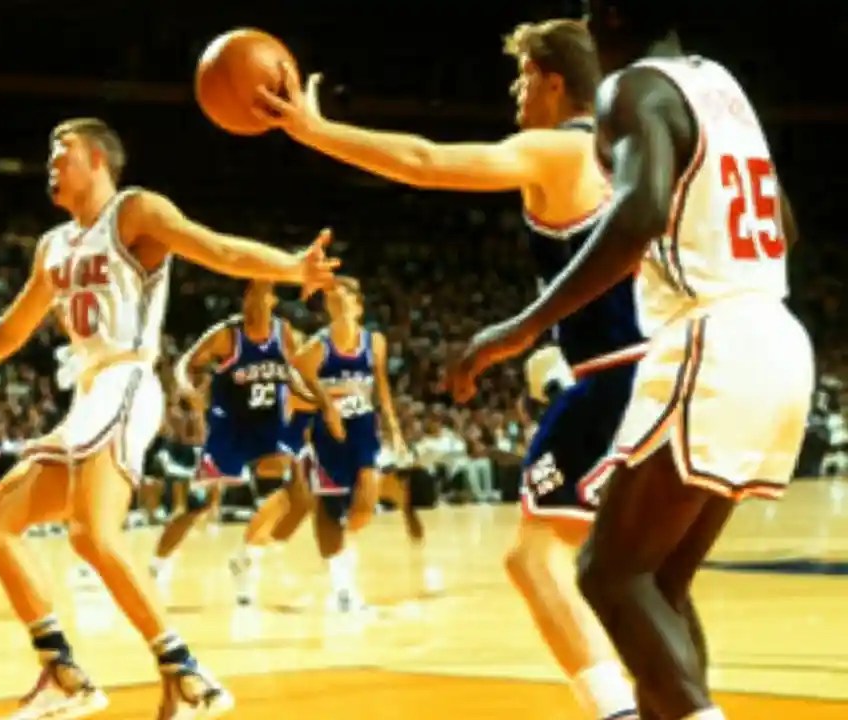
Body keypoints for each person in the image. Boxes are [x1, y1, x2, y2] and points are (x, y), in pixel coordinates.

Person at [0, 117, 337, 719]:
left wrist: (292, 268)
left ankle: (189, 677)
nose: (50, 160)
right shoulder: (54, 246)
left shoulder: (135, 212)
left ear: (97, 158)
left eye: (60, 150)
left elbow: (218, 248)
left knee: (91, 534)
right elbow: (13, 331)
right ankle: (64, 673)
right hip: (91, 393)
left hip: (127, 380)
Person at [255, 19, 639, 716]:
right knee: (631, 574)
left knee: (533, 559)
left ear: (555, 83)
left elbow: (424, 162)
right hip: (679, 370)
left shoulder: (557, 148)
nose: (516, 90)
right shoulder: (637, 154)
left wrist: (314, 131)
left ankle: (619, 711)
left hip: (614, 377)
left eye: (523, 76)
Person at [446, 2, 812, 718]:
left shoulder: (632, 88)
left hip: (712, 338)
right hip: (776, 328)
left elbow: (639, 213)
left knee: (609, 576)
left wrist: (525, 325)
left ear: (612, 15)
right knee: (660, 585)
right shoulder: (722, 87)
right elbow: (786, 226)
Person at [149, 281, 340, 605]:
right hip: (230, 425)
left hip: (269, 423)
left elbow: (299, 373)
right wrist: (185, 388)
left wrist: (320, 401)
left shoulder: (286, 334)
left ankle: (247, 557)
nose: (251, 300)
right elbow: (187, 362)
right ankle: (158, 564)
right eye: (249, 294)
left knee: (287, 487)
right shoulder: (227, 335)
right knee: (200, 503)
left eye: (259, 294)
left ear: (272, 300)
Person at [292, 277, 405, 612]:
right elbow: (293, 386)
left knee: (367, 500)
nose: (338, 305)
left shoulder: (376, 342)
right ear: (327, 308)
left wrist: (394, 428)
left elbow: (381, 386)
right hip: (327, 432)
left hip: (363, 426)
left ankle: (343, 545)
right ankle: (341, 584)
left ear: (358, 305)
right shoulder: (315, 348)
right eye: (332, 301)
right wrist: (325, 402)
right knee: (328, 508)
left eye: (344, 300)